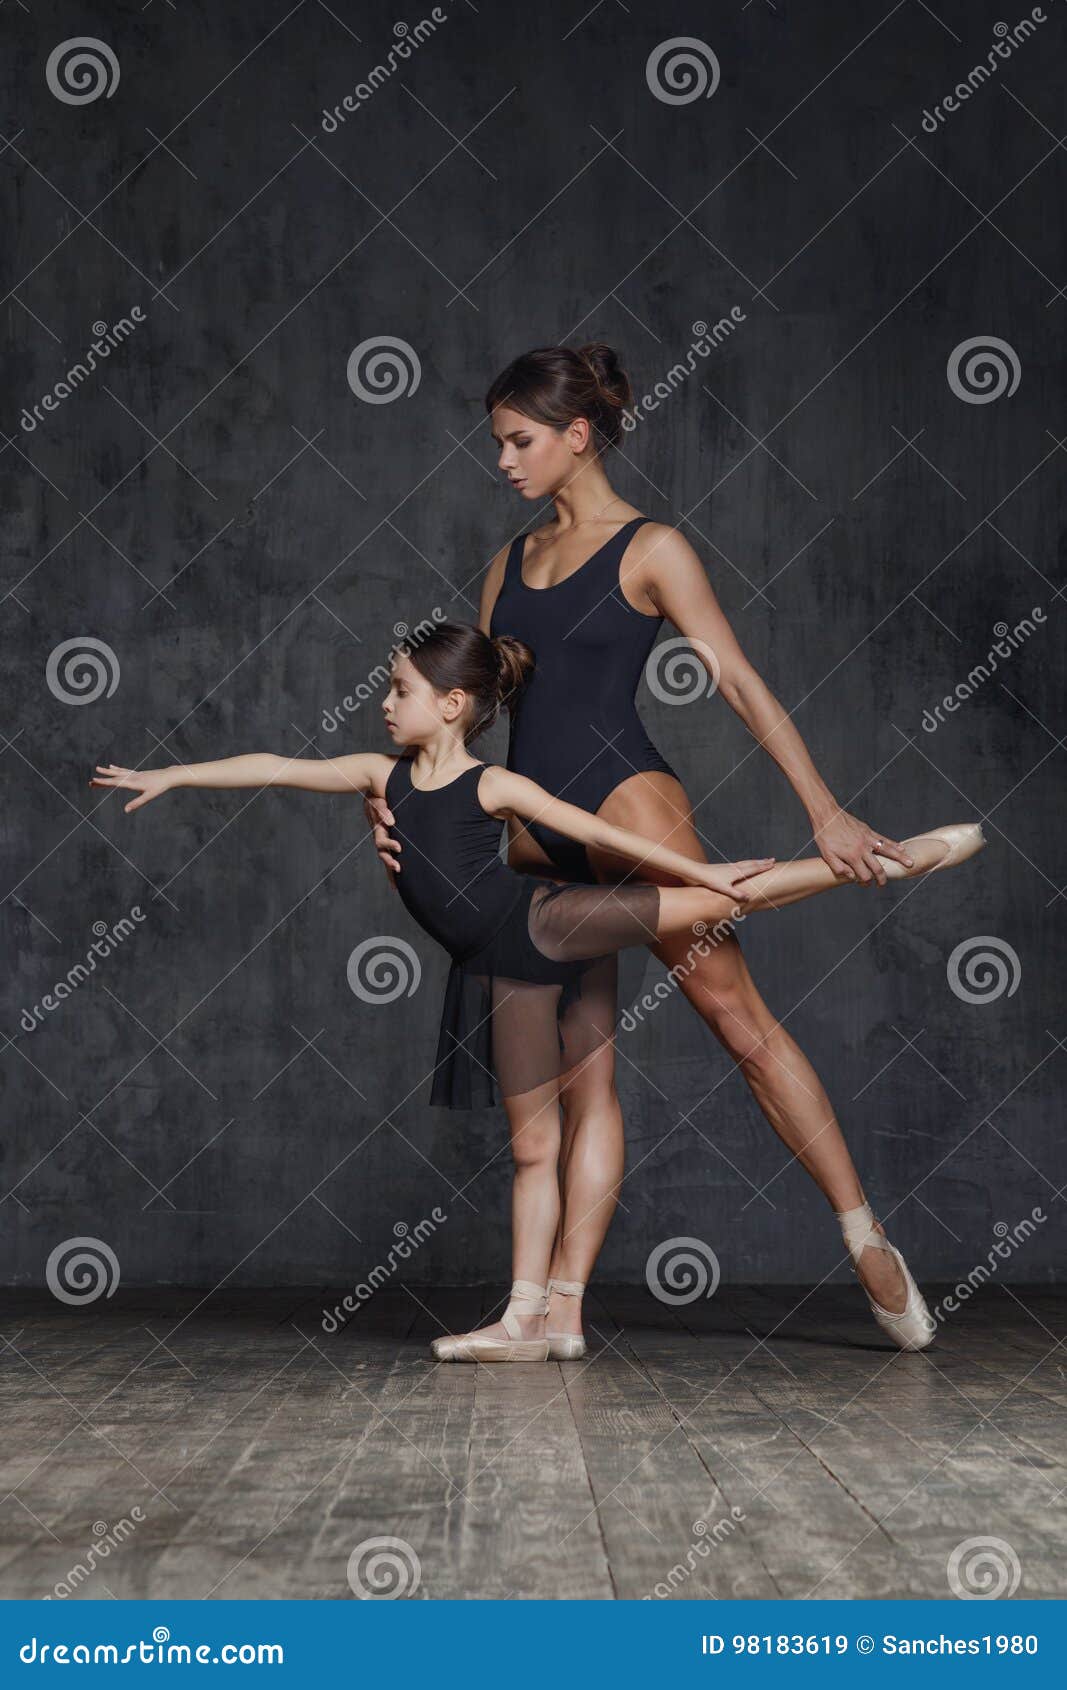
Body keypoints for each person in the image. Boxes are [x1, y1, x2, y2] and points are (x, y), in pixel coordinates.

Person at [92, 622, 984, 1361]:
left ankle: (898, 860)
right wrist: (174, 775)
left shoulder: (494, 783)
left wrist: (698, 869)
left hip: (548, 922)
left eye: (396, 689)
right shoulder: (378, 776)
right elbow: (276, 765)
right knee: (531, 1149)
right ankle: (526, 1321)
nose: (382, 703)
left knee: (730, 896)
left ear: (449, 705)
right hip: (493, 969)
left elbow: (589, 828)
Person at [363, 341, 979, 1355]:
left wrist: (821, 805)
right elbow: (455, 716)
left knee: (734, 1017)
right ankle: (558, 1311)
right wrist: (393, 803)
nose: (504, 462)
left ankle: (862, 1232)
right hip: (534, 836)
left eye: (519, 442)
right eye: (497, 445)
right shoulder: (503, 566)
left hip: (628, 805)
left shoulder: (651, 549)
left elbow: (732, 679)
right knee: (583, 1076)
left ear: (575, 435)